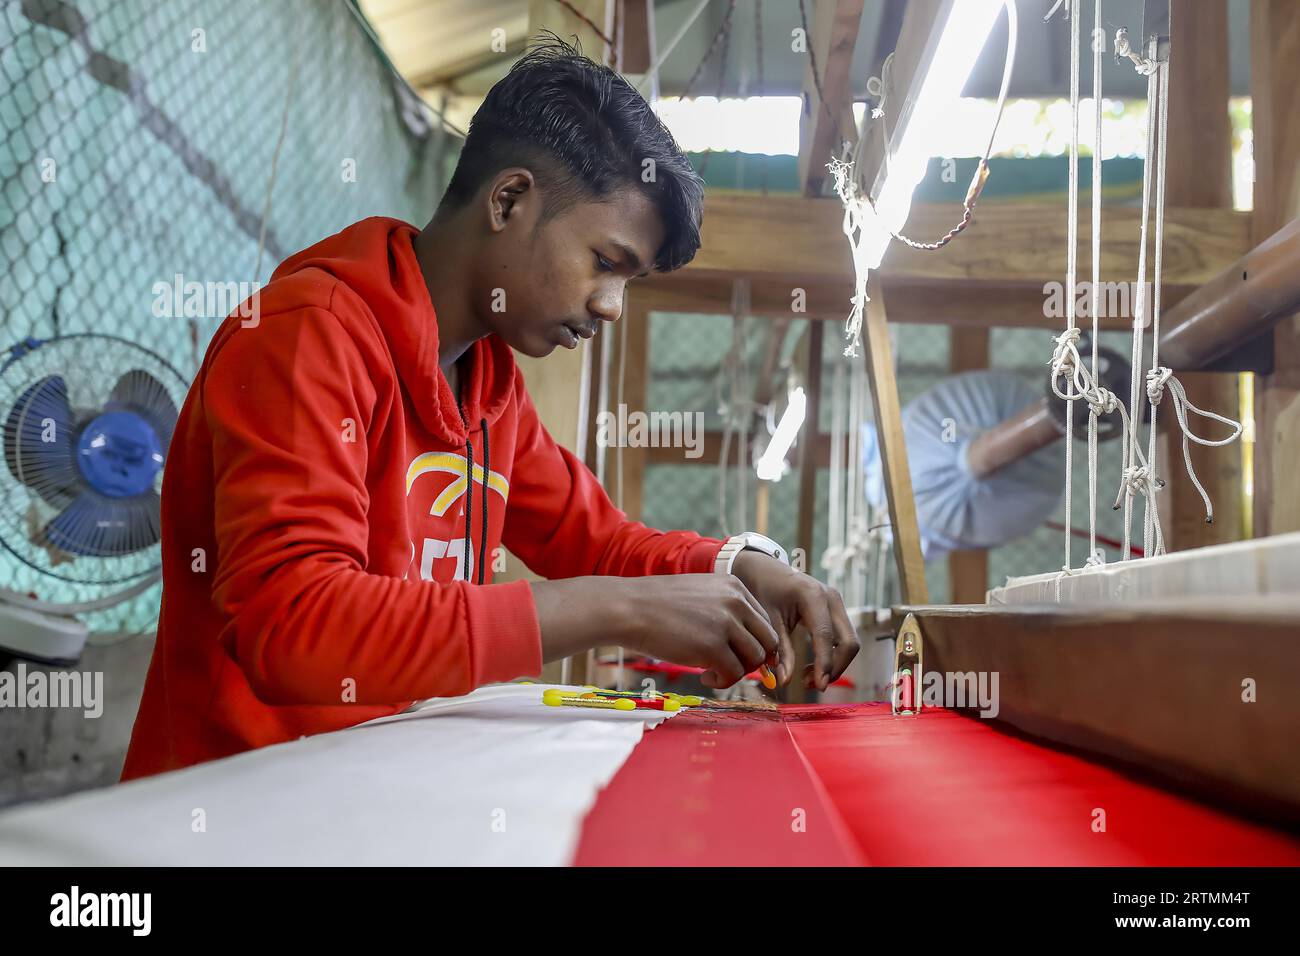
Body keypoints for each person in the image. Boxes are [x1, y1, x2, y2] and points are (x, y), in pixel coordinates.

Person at [122, 37, 858, 780]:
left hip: (362, 792)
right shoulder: (306, 333)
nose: (610, 307)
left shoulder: (488, 387)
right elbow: (294, 625)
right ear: (508, 200)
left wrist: (742, 567)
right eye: (606, 263)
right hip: (235, 812)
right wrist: (622, 609)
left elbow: (598, 543)